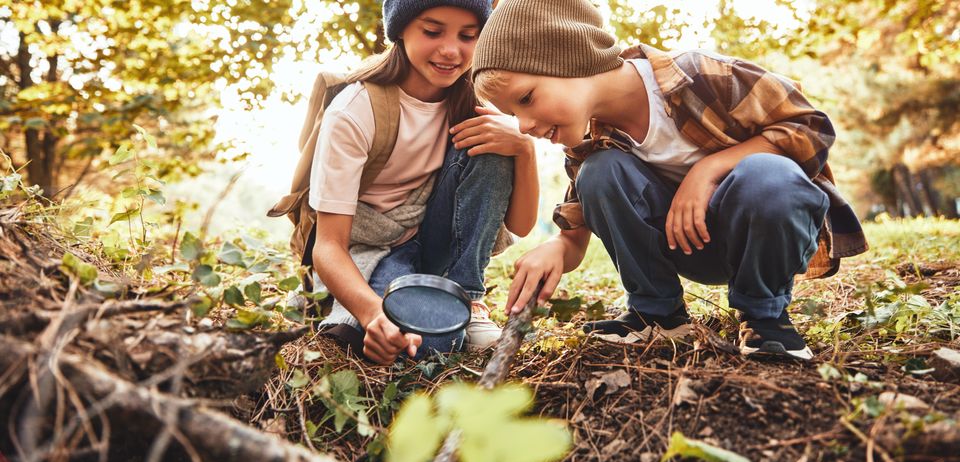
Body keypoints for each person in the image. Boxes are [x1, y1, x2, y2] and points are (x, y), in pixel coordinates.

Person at [470, 0, 867, 360]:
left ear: (569, 60)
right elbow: (576, 233)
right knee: (601, 172)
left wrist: (708, 170)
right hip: (688, 246)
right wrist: (556, 250)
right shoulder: (590, 142)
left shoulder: (699, 75)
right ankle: (658, 316)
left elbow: (811, 128)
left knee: (768, 173)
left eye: (525, 99)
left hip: (763, 233)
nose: (523, 125)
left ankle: (766, 320)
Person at [309, 0, 539, 364]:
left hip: (434, 236)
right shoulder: (354, 112)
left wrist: (524, 148)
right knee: (421, 345)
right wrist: (372, 314)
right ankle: (401, 299)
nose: (450, 50)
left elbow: (521, 225)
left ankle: (467, 295)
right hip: (374, 247)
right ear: (400, 30)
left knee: (493, 143)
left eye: (468, 36)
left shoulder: (475, 102)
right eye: (432, 31)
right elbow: (328, 246)